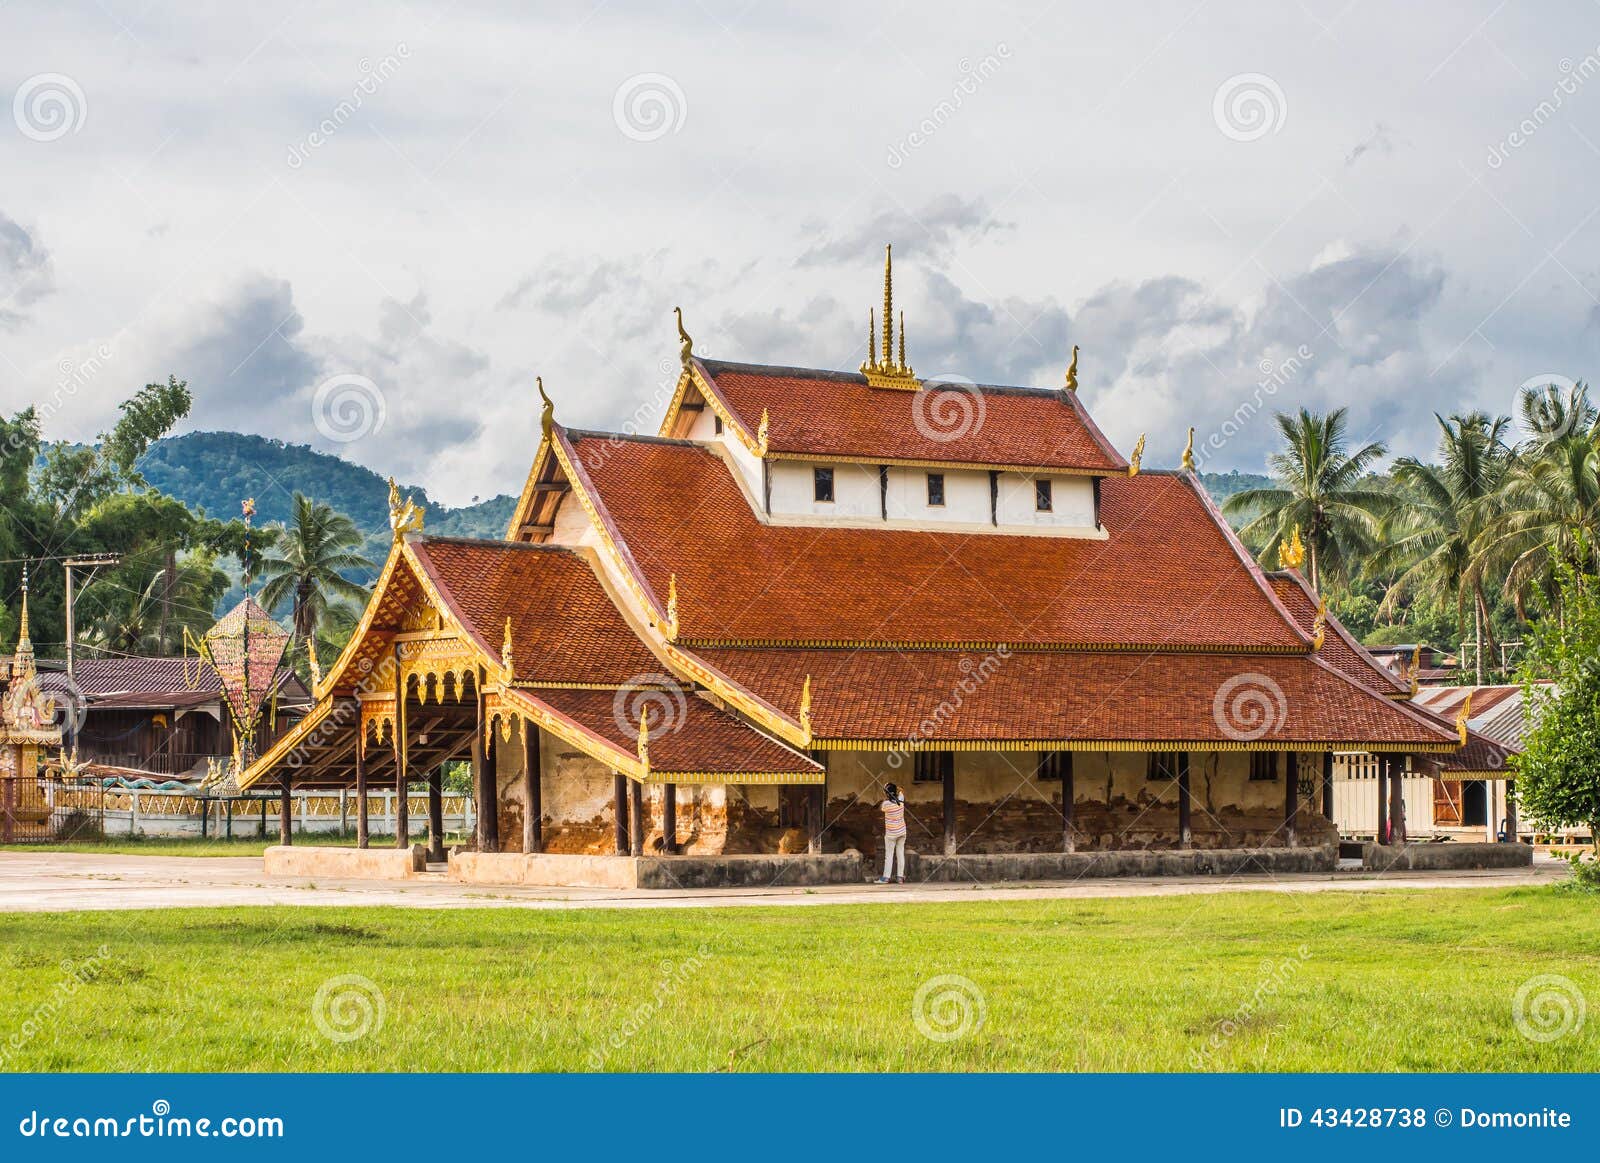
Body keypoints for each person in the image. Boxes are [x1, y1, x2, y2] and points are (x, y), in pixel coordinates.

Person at [877, 782, 907, 884]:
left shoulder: (886, 804)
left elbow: (881, 807)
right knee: (900, 854)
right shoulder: (901, 801)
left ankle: (886, 877)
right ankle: (900, 877)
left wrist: (886, 795)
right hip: (902, 832)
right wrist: (896, 788)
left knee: (889, 856)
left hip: (891, 834)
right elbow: (901, 790)